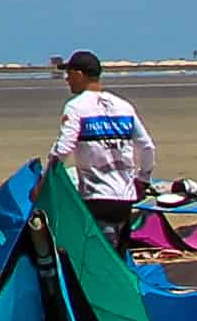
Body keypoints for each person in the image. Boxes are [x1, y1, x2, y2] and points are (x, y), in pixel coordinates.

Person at [52, 52, 152, 246]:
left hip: (96, 196)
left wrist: (44, 182)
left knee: (95, 257)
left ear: (80, 75)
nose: (67, 79)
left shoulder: (76, 107)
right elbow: (147, 146)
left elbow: (63, 149)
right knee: (117, 257)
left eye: (70, 74)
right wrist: (143, 180)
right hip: (124, 198)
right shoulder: (124, 106)